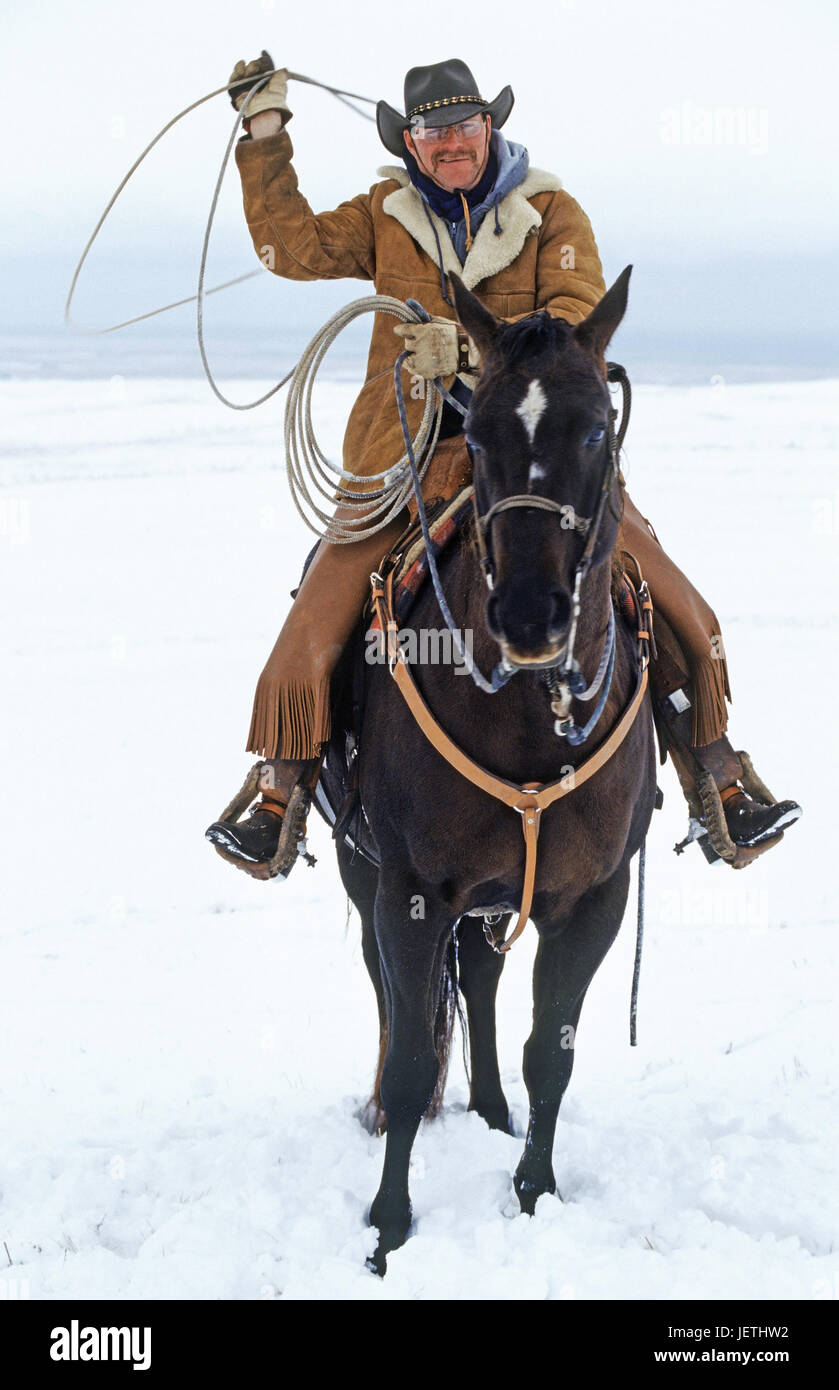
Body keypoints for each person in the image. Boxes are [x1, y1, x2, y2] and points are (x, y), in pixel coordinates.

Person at [206, 55, 800, 878]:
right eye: (431, 131)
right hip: (404, 458)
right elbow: (290, 248)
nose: (449, 144)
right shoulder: (386, 212)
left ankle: (716, 772)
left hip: (538, 461)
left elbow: (572, 319)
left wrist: (479, 353)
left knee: (660, 592)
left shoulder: (549, 212)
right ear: (408, 142)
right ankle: (282, 787)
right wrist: (265, 132)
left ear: (490, 128)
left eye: (463, 126)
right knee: (324, 606)